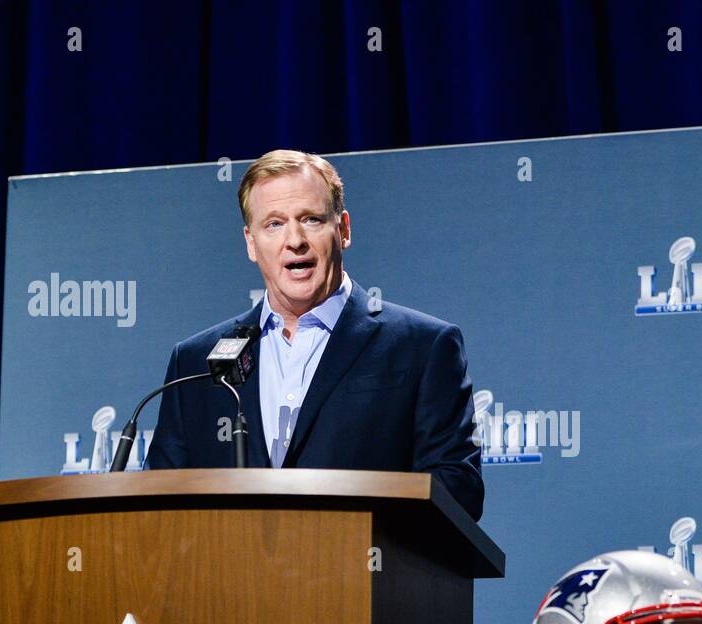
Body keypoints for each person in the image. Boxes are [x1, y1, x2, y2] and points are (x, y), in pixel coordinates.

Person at [144, 149, 484, 521]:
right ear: (251, 243)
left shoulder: (423, 347)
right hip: (229, 576)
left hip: (365, 572)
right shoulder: (195, 361)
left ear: (344, 229)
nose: (295, 240)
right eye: (273, 224)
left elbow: (457, 491)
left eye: (311, 219)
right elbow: (159, 502)